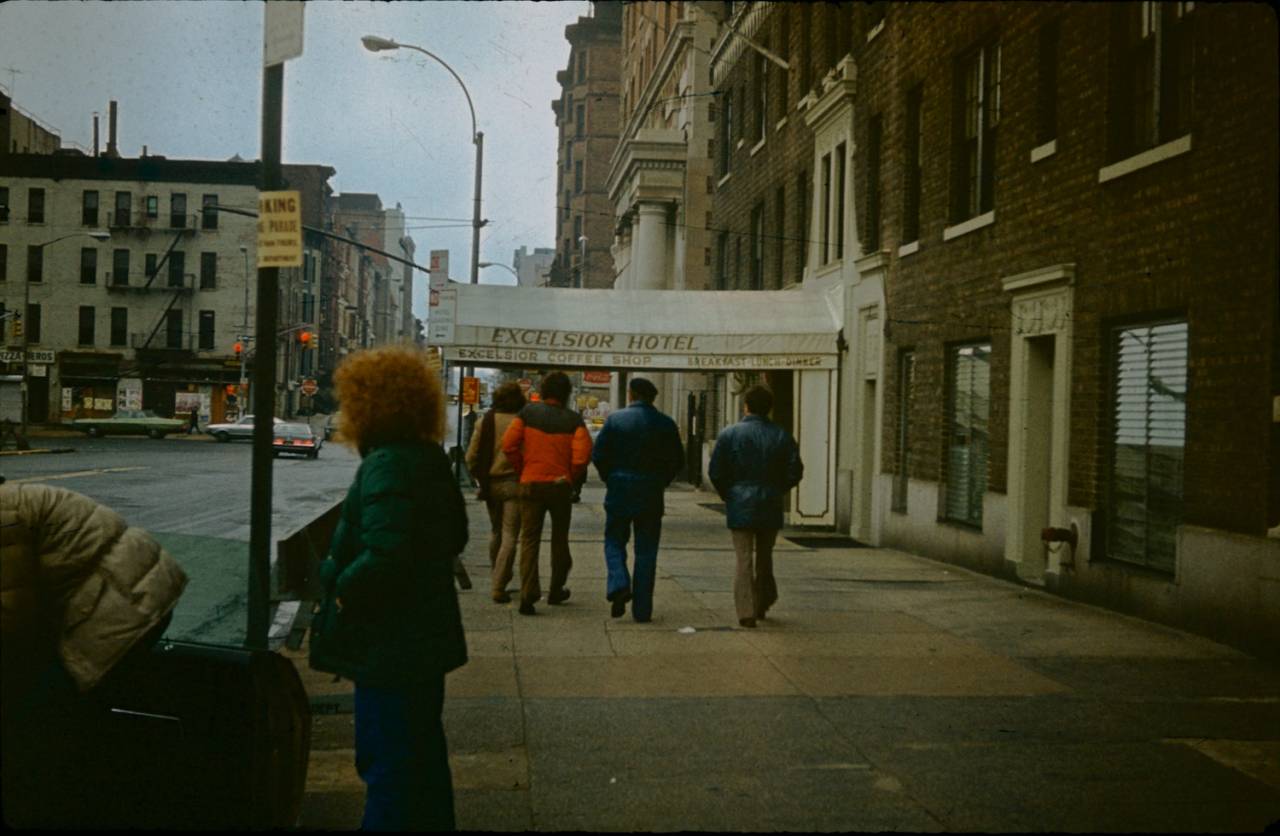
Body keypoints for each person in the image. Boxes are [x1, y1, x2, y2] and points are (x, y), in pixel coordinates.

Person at [308, 345, 468, 831]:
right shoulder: (426, 458)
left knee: (386, 766)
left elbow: (385, 553)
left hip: (390, 643)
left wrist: (342, 590)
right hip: (422, 637)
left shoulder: (387, 465)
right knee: (420, 758)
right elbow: (452, 536)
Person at [1, 481, 189, 827]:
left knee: (45, 714)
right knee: (69, 707)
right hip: (131, 588)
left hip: (127, 599)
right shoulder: (11, 500)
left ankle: (57, 804)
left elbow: (12, 613)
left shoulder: (3, 514)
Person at [708, 384, 804, 628]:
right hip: (769, 500)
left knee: (743, 559)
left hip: (740, 499)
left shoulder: (730, 434)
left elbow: (716, 471)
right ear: (769, 408)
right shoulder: (781, 434)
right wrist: (777, 489)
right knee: (765, 556)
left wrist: (729, 494)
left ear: (746, 406)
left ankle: (746, 610)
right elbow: (795, 470)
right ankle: (763, 600)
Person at [590, 377, 684, 622]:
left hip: (620, 487)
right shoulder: (665, 424)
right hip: (651, 491)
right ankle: (642, 610)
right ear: (653, 397)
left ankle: (619, 581)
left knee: (614, 540)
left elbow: (599, 455)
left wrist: (610, 477)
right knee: (646, 551)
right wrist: (662, 480)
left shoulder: (615, 420)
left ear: (631, 395)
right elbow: (677, 460)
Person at [501, 371, 592, 615]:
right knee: (559, 538)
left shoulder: (527, 414)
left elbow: (508, 444)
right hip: (560, 485)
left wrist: (523, 468)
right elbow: (582, 456)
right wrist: (569, 476)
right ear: (566, 394)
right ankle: (556, 588)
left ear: (543, 391)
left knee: (529, 539)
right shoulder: (574, 421)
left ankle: (529, 593)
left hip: (531, 483)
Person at [465, 381, 527, 604]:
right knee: (510, 534)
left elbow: (471, 456)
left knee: (496, 531)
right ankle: (499, 584)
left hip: (491, 483)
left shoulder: (486, 421)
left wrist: (478, 476)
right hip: (515, 483)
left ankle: (497, 573)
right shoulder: (523, 421)